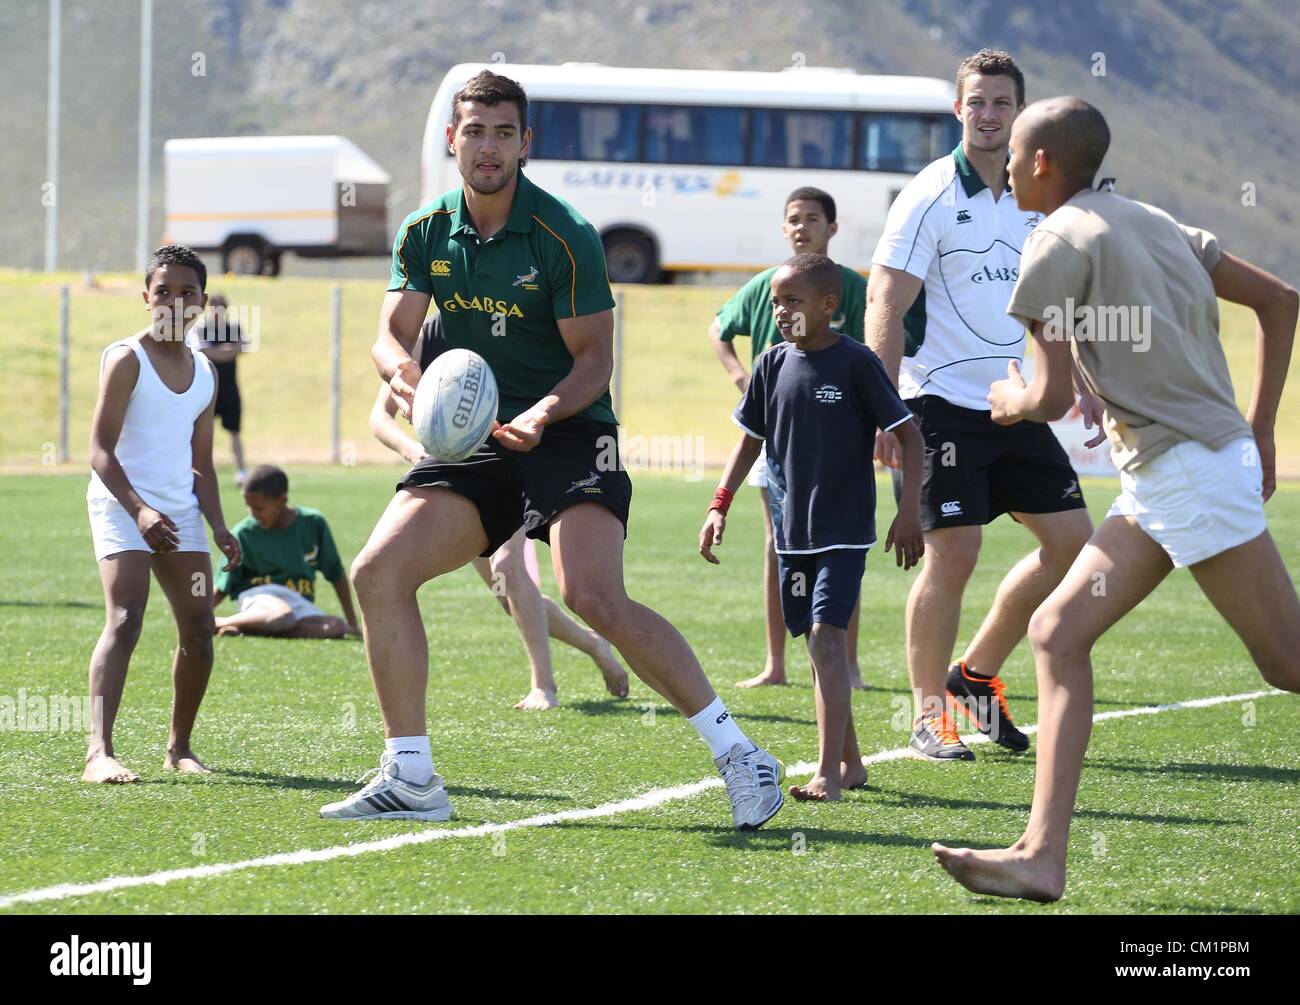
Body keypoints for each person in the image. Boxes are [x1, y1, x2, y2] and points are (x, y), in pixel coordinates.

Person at [320, 70, 784, 828]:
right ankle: (410, 776)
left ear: (525, 142)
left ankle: (741, 754)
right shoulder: (425, 230)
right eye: (475, 131)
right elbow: (389, 333)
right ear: (452, 139)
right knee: (377, 572)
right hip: (477, 438)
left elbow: (595, 360)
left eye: (504, 132)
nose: (489, 146)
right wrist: (402, 373)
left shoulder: (565, 235)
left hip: (569, 430)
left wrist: (541, 413)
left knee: (593, 595)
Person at [933, 96, 1300, 901]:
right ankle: (1040, 857)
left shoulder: (1051, 241)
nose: (1003, 167)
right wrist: (1262, 427)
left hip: (1189, 474)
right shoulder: (1154, 219)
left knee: (1288, 663)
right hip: (1179, 469)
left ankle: (1040, 854)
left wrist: (1005, 396)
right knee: (1056, 632)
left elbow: (1048, 394)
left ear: (1038, 164)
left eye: (1013, 153)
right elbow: (1281, 300)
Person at [866, 49, 1100, 760]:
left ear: (1019, 114)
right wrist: (884, 409)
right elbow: (885, 299)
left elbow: (1058, 302)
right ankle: (927, 716)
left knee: (1072, 545)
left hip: (1016, 402)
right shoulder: (930, 193)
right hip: (936, 404)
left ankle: (974, 675)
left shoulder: (1043, 197)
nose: (989, 114)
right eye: (978, 102)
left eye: (1003, 103)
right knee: (954, 553)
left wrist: (1083, 380)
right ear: (957, 110)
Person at [701, 253, 925, 800]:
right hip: (790, 534)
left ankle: (827, 773)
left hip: (843, 532)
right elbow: (749, 441)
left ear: (829, 306)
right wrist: (719, 504)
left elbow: (910, 434)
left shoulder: (857, 364)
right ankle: (852, 764)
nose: (781, 311)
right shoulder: (772, 365)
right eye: (776, 302)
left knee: (827, 639)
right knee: (815, 645)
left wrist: (910, 509)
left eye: (792, 301)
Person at [369, 313, 629, 707]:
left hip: (509, 467)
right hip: (454, 478)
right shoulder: (427, 338)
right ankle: (595, 645)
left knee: (508, 570)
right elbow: (379, 417)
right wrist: (413, 450)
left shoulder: (508, 325)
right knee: (507, 595)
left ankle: (544, 686)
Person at [83, 245, 240, 783]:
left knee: (199, 628)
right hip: (121, 503)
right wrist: (141, 511)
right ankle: (99, 753)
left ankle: (179, 748)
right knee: (126, 618)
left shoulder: (205, 373)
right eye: (164, 290)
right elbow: (100, 451)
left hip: (179, 512)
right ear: (146, 296)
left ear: (202, 301)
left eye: (188, 292)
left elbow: (202, 464)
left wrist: (219, 525)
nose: (176, 300)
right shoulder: (126, 358)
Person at [708, 187, 871, 689]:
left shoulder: (850, 288)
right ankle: (776, 664)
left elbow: (876, 346)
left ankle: (848, 662)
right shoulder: (765, 285)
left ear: (832, 229)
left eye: (813, 219)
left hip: (838, 444)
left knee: (841, 548)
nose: (802, 227)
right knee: (779, 544)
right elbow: (719, 328)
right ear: (784, 228)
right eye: (794, 219)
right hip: (775, 439)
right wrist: (741, 378)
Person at [211, 464, 360, 640]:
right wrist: (201, 616)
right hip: (260, 599)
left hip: (298, 602)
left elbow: (336, 573)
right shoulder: (243, 533)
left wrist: (352, 623)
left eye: (259, 508)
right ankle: (217, 623)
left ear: (283, 500)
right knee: (282, 616)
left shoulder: (313, 523)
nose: (253, 514)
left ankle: (250, 629)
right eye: (248, 507)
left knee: (336, 627)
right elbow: (221, 587)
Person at [189, 294, 248, 486]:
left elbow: (241, 348)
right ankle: (197, 469)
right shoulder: (201, 329)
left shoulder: (233, 328)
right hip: (207, 389)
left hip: (229, 389)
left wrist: (221, 352)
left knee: (235, 431)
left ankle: (242, 471)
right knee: (201, 432)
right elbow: (203, 351)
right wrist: (226, 351)